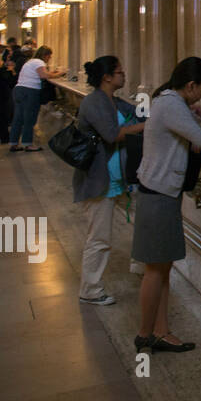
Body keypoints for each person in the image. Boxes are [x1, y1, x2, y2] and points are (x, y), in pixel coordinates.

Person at [133, 57, 201, 354]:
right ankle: (144, 334)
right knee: (154, 269)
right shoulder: (171, 105)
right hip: (158, 196)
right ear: (190, 85)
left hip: (159, 192)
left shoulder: (169, 103)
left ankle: (161, 331)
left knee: (162, 268)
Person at [74, 56, 146, 306]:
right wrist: (148, 125)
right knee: (99, 238)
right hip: (99, 180)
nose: (123, 75)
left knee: (143, 220)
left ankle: (141, 264)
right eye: (119, 71)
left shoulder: (113, 101)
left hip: (119, 178)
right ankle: (90, 289)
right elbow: (112, 134)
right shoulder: (93, 102)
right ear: (106, 77)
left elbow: (136, 117)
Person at [9, 46, 64, 151]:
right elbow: (44, 75)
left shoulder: (30, 62)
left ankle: (13, 143)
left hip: (19, 89)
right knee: (30, 118)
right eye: (49, 56)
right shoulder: (39, 62)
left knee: (18, 118)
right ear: (45, 55)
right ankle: (27, 144)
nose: (50, 58)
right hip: (30, 91)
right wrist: (59, 73)